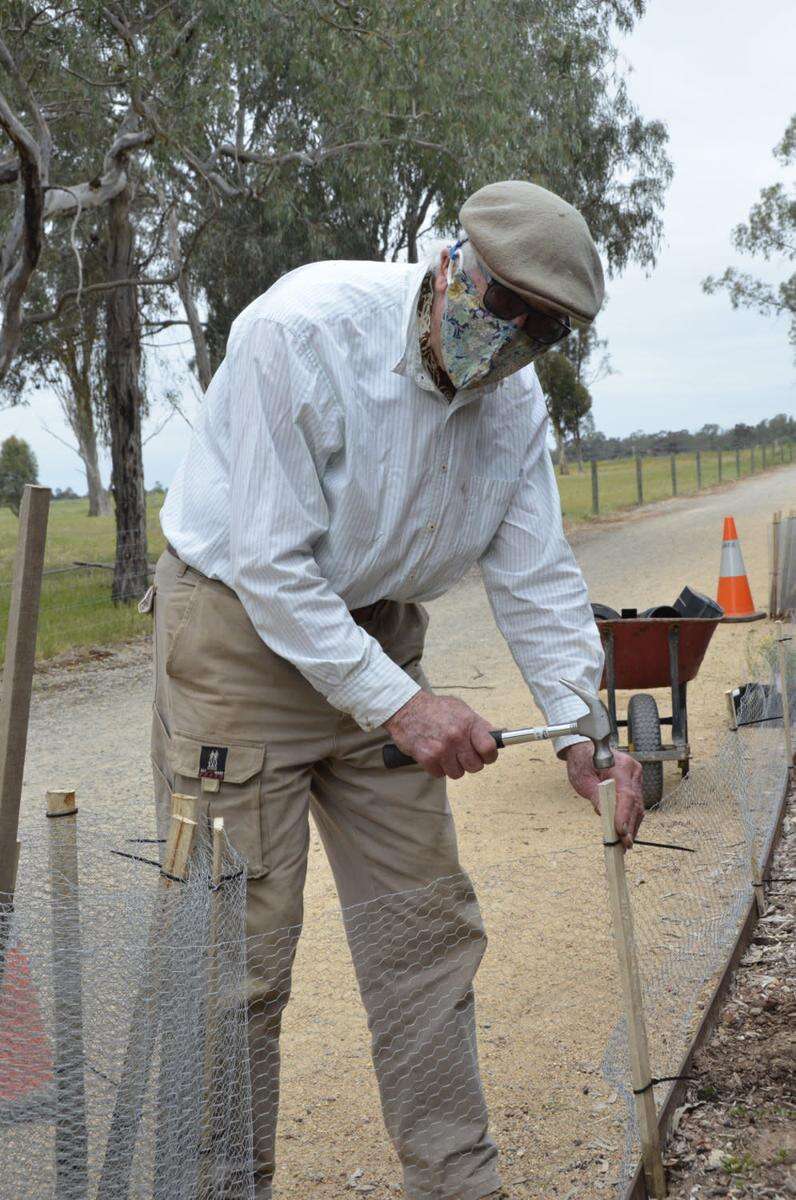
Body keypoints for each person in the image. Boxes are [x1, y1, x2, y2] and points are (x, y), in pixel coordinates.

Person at [150, 179, 644, 1200]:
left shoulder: (512, 408)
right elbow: (274, 570)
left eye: (542, 330)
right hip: (238, 639)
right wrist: (407, 708)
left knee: (424, 934)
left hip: (375, 633)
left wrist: (582, 731)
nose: (510, 338)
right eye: (501, 304)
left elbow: (538, 573)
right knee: (235, 962)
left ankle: (459, 1184)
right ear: (451, 262)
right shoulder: (299, 334)